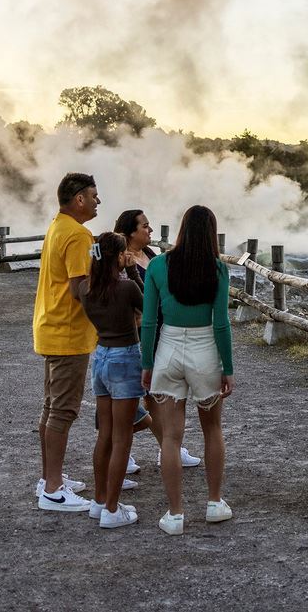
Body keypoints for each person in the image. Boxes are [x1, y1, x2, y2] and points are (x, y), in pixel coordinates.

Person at [140, 205, 234, 535]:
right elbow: (221, 324)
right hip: (205, 349)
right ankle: (213, 503)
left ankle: (175, 514)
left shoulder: (157, 265)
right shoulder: (219, 270)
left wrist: (147, 364)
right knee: (212, 429)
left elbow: (150, 322)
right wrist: (229, 368)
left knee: (170, 436)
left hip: (167, 350)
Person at [114, 209, 201, 473]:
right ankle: (123, 453)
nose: (150, 231)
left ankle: (168, 448)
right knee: (130, 395)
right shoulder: (121, 261)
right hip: (135, 332)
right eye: (145, 226)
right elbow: (133, 296)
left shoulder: (151, 255)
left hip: (160, 330)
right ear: (130, 232)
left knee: (155, 393)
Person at [33, 172, 100, 512]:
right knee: (63, 410)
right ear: (79, 200)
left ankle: (50, 478)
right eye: (93, 195)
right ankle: (54, 491)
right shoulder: (77, 234)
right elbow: (80, 288)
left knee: (51, 408)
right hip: (68, 334)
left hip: (51, 327)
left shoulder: (58, 226)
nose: (97, 201)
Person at [77, 231, 143, 529]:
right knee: (122, 437)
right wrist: (130, 269)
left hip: (100, 357)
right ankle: (113, 510)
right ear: (118, 256)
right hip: (125, 358)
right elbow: (150, 304)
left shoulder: (84, 288)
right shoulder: (126, 287)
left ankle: (100, 500)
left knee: (104, 434)